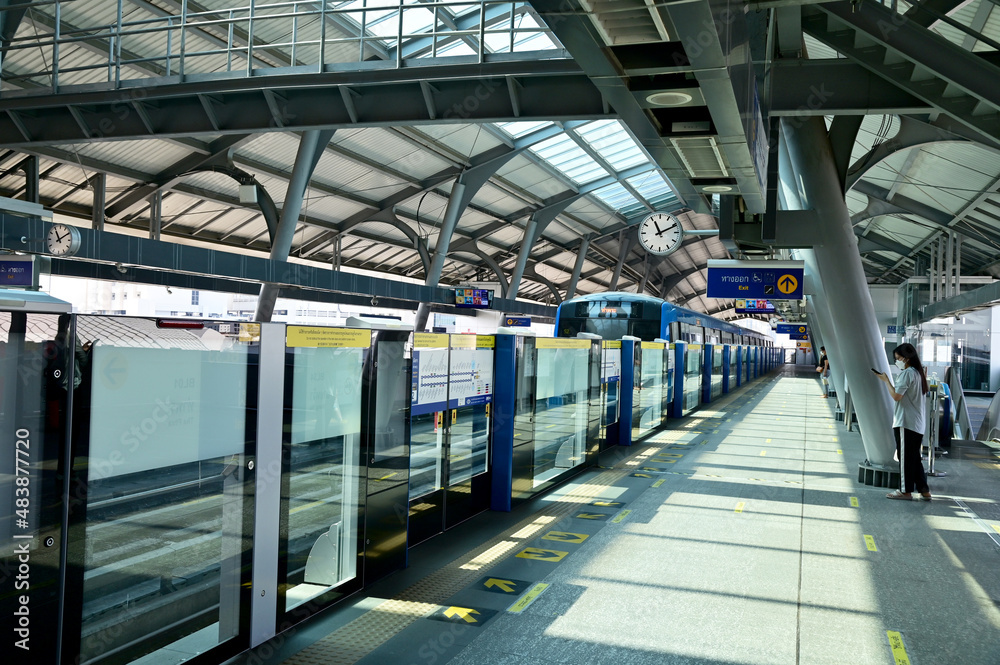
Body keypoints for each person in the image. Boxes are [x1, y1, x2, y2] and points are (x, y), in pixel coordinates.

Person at [875, 343, 931, 501]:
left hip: (906, 423)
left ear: (906, 358)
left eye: (898, 358)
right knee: (914, 458)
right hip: (917, 424)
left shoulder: (907, 374)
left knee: (905, 457)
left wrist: (886, 380)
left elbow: (896, 396)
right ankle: (924, 490)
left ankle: (905, 490)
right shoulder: (918, 373)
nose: (896, 361)